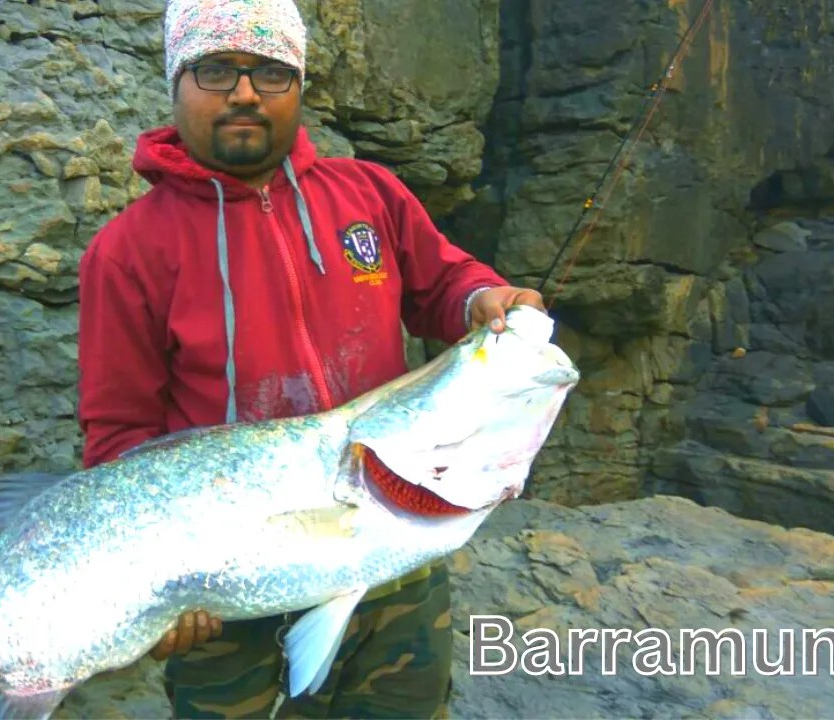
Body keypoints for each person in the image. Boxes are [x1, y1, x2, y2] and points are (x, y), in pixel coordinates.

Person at [76, 0, 544, 716]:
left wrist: (484, 297)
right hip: (224, 591)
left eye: (270, 72)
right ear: (176, 84)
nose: (243, 92)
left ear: (299, 87)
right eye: (216, 68)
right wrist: (151, 587)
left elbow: (444, 285)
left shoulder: (370, 194)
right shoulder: (128, 251)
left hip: (393, 542)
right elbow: (118, 435)